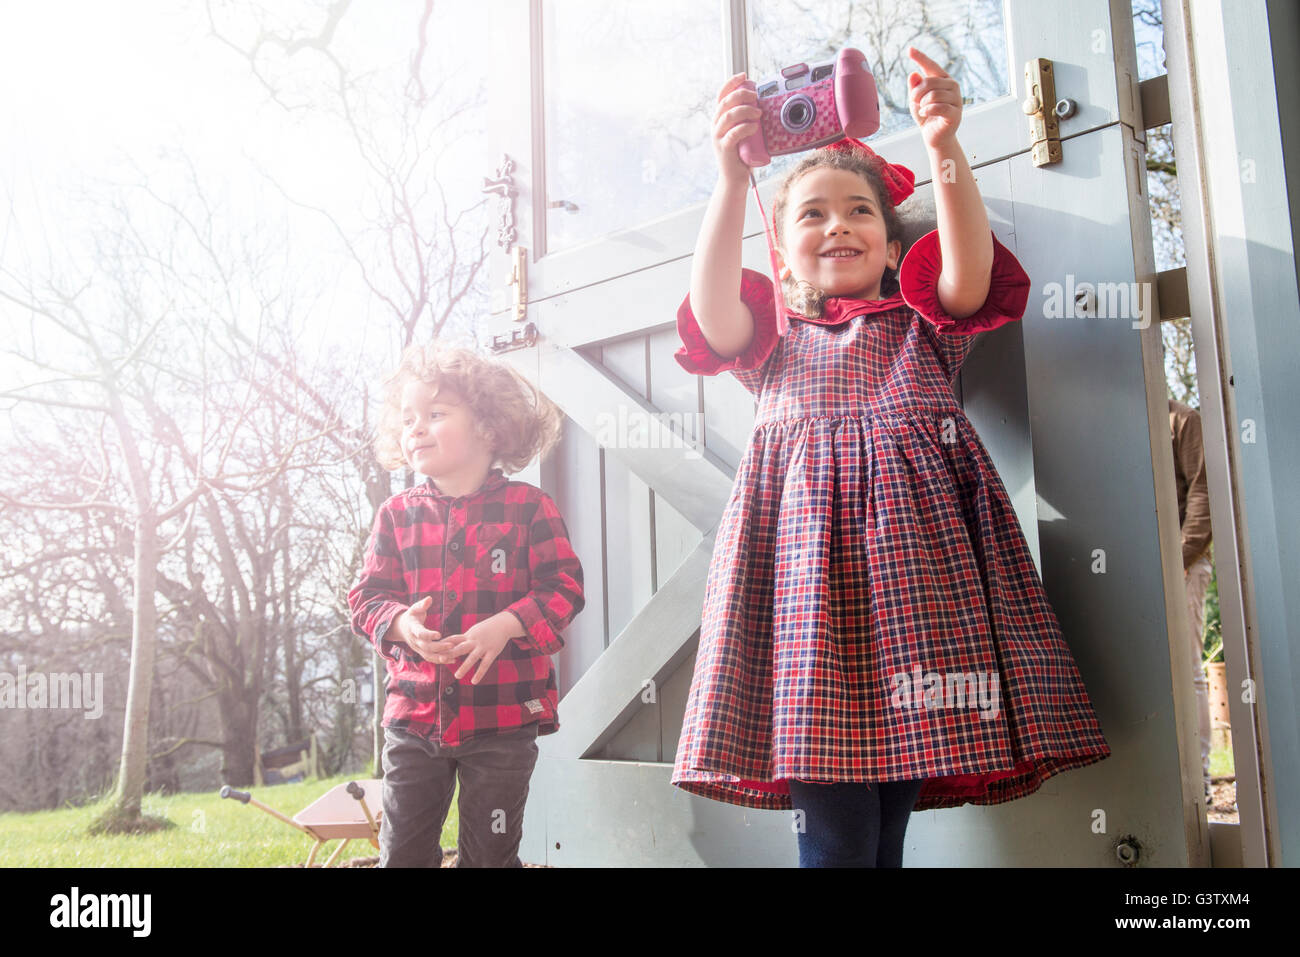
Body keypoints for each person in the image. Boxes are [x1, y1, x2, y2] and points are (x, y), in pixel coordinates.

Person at [670, 48, 1110, 867]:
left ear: (887, 235)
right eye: (810, 215)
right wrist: (731, 181)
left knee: (884, 830)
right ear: (781, 245)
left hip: (917, 609)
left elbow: (970, 267)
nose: (837, 224)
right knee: (834, 836)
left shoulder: (921, 327)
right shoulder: (768, 348)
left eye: (858, 212)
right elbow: (711, 304)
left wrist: (943, 141)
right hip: (807, 614)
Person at [348, 344, 585, 867]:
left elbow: (564, 587)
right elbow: (366, 597)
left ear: (489, 428)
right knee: (403, 854)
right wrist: (399, 623)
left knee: (490, 856)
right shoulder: (395, 516)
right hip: (414, 719)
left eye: (435, 414)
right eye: (408, 419)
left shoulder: (529, 509)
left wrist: (507, 623)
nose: (416, 428)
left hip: (502, 722)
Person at [1169, 398, 1214, 805]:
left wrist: (1178, 559)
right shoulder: (1122, 422)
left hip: (1183, 566)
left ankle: (1199, 783)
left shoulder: (1184, 420)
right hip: (1139, 571)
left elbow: (1202, 490)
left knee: (1188, 669)